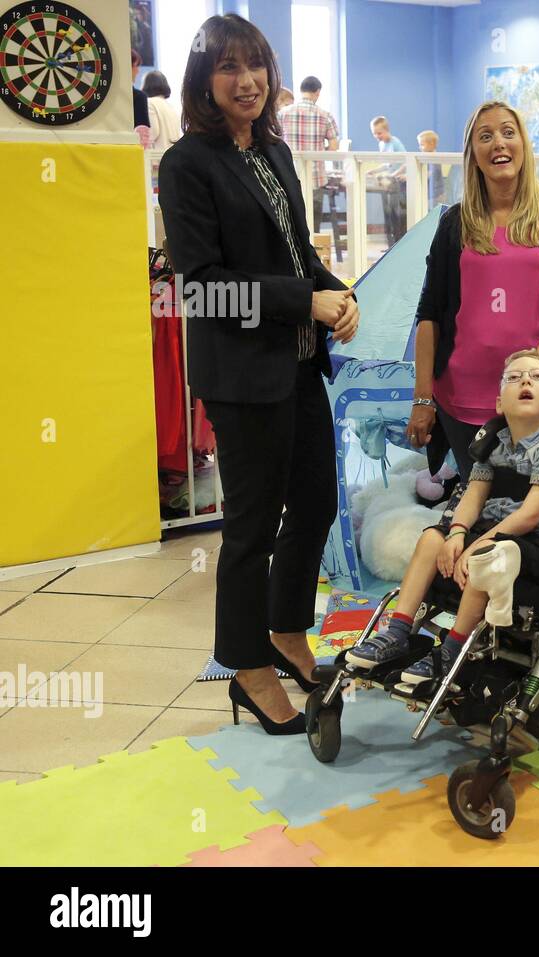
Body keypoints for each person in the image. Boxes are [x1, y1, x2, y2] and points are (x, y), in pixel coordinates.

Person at [158, 14, 359, 735]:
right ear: (203, 81)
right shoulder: (186, 163)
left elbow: (297, 251)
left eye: (257, 66)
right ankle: (245, 665)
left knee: (315, 506)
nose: (246, 81)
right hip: (243, 376)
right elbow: (204, 284)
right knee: (250, 530)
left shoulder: (272, 150)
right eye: (228, 68)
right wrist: (305, 298)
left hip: (300, 365)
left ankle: (285, 632)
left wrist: (340, 291)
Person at [347, 349, 539, 683]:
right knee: (432, 537)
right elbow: (474, 494)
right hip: (498, 536)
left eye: (537, 377)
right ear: (500, 403)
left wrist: (474, 547)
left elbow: (528, 518)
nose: (526, 380)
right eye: (514, 378)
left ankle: (452, 649)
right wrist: (457, 533)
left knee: (485, 556)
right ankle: (397, 632)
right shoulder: (494, 443)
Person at [408, 101, 539, 482]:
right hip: (461, 402)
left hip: (535, 402)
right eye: (486, 136)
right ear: (474, 156)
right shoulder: (454, 223)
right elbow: (429, 315)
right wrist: (422, 398)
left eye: (508, 133)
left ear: (523, 146)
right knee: (479, 514)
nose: (498, 142)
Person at [279, 76, 340, 232]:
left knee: (290, 225)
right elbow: (334, 147)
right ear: (317, 92)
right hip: (316, 178)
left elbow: (274, 141)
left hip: (288, 176)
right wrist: (320, 151)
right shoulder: (325, 115)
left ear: (301, 91)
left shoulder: (283, 113)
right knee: (313, 227)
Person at [370, 115, 408, 247]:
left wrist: (395, 174)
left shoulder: (395, 143)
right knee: (389, 215)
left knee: (398, 216)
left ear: (386, 130)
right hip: (389, 184)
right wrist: (374, 171)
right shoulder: (381, 144)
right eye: (374, 133)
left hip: (398, 184)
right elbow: (387, 164)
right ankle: (391, 244)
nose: (377, 136)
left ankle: (400, 243)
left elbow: (406, 161)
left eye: (379, 133)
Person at [142, 70, 182, 151]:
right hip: (173, 156)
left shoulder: (149, 103)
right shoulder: (171, 107)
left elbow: (152, 133)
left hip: (157, 159)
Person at [417, 129, 446, 207]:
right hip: (431, 194)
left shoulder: (434, 158)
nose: (420, 147)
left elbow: (431, 173)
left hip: (437, 195)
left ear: (432, 144)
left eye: (422, 145)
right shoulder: (426, 158)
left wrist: (417, 175)